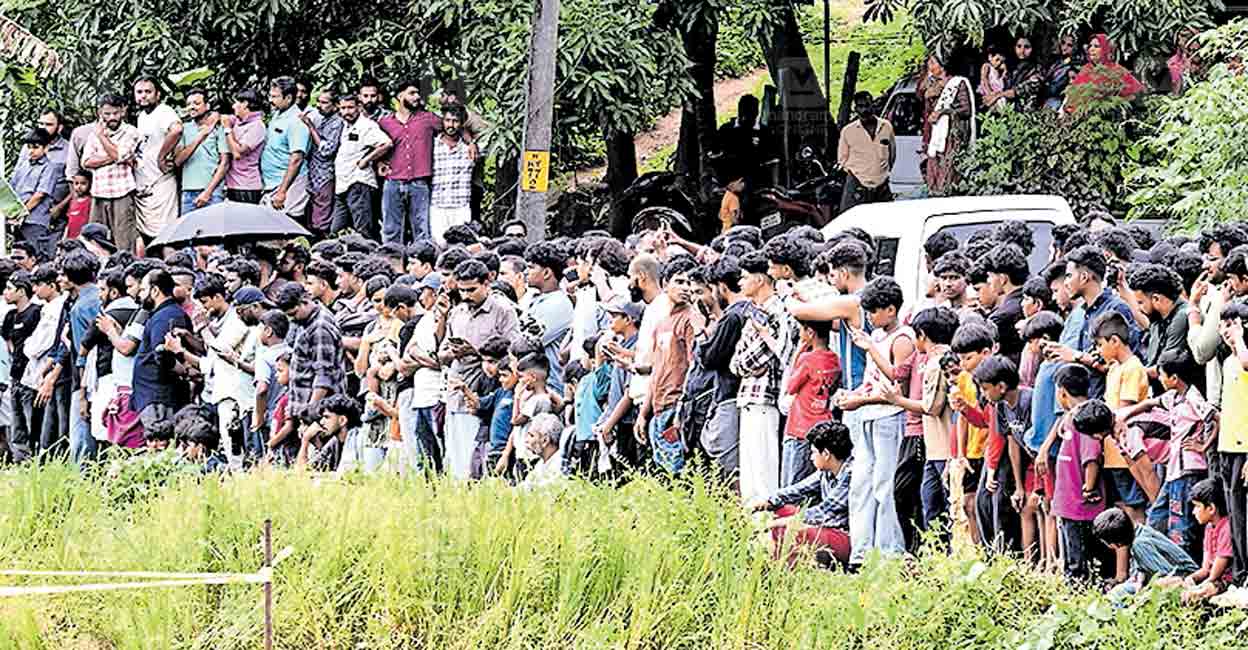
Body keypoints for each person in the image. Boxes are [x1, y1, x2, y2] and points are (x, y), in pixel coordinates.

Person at [836, 276, 914, 565]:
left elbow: (896, 383)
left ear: (890, 310)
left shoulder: (902, 339)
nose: (869, 317)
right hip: (868, 415)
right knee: (861, 485)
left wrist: (869, 348)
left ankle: (890, 552)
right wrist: (853, 395)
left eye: (873, 311)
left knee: (885, 485)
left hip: (888, 418)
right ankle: (862, 552)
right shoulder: (879, 336)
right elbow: (872, 382)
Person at [438, 259, 520, 479]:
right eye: (462, 290)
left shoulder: (503, 311)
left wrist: (475, 353)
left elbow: (513, 352)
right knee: (456, 457)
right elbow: (442, 352)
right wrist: (453, 353)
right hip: (456, 389)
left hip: (485, 393)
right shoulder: (457, 312)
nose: (466, 295)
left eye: (472, 290)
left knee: (477, 458)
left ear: (487, 283)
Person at [749, 420, 854, 570]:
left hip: (844, 535)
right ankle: (779, 563)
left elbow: (824, 512)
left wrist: (774, 523)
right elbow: (798, 489)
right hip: (827, 528)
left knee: (792, 527)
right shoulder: (826, 472)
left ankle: (786, 570)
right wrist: (768, 501)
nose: (811, 457)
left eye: (813, 452)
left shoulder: (850, 474)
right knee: (782, 509)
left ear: (826, 454)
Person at [731, 251, 792, 504]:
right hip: (749, 395)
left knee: (764, 469)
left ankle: (768, 531)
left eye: (744, 277)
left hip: (766, 397)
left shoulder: (776, 311)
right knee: (750, 470)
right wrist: (741, 365)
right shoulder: (754, 311)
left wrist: (741, 364)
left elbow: (759, 356)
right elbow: (735, 361)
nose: (740, 283)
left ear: (759, 280)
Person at [636, 259, 697, 474]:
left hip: (678, 406)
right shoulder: (661, 323)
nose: (685, 288)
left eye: (689, 283)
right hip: (659, 406)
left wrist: (683, 406)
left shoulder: (691, 319)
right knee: (663, 474)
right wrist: (644, 413)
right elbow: (655, 371)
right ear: (665, 284)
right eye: (679, 281)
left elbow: (693, 366)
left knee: (679, 473)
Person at [1092, 311, 1151, 524]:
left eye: (1100, 345)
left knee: (1136, 508)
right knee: (1125, 506)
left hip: (1128, 453)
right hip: (1114, 453)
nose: (1099, 350)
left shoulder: (1133, 368)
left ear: (1115, 341)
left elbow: (1124, 412)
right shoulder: (1114, 368)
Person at [131, 268, 193, 442]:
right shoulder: (161, 314)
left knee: (160, 444)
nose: (139, 295)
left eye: (143, 290)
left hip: (159, 396)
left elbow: (163, 354)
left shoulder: (165, 316)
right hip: (153, 394)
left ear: (155, 290)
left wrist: (186, 372)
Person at [274, 283, 346, 429]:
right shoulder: (307, 322)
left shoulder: (320, 327)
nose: (292, 319)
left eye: (294, 314)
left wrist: (311, 411)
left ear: (305, 302)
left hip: (321, 412)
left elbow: (324, 376)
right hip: (308, 409)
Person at [378, 79, 441, 245]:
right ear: (400, 96)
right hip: (392, 182)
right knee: (391, 229)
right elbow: (373, 147)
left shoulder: (428, 119)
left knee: (422, 230)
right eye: (412, 93)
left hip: (419, 183)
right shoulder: (385, 122)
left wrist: (470, 142)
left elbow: (453, 125)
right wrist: (379, 164)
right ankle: (392, 266)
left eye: (418, 93)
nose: (417, 97)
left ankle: (423, 267)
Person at [1155, 478, 1234, 604]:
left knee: (1197, 594)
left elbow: (1214, 575)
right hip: (1212, 578)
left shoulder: (1226, 528)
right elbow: (1205, 568)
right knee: (1170, 583)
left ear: (1211, 508)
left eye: (1197, 507)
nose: (1193, 512)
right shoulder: (1209, 528)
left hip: (1226, 581)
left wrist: (1197, 588)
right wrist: (1190, 580)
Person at [81, 93, 141, 255]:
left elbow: (118, 156)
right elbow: (86, 162)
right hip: (99, 193)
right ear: (100, 113)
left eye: (115, 113)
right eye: (107, 114)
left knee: (124, 242)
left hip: (122, 192)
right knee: (94, 241)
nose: (111, 117)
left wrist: (103, 138)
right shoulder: (93, 134)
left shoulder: (131, 132)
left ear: (123, 111)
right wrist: (117, 156)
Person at [1093, 506, 1198, 598]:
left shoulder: (1140, 545)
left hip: (1187, 578)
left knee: (1116, 595)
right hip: (1176, 576)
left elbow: (1168, 575)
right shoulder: (1138, 530)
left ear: (1114, 544)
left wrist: (1144, 592)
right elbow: (1142, 569)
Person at [782, 319, 839, 487]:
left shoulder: (807, 358)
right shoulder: (834, 358)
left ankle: (792, 513)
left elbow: (791, 387)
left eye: (802, 329)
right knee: (816, 481)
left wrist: (798, 353)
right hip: (822, 423)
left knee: (794, 482)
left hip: (800, 427)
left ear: (810, 332)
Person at [1216, 299, 1248, 584]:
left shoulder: (1245, 358)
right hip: (1227, 447)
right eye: (1224, 325)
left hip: (1244, 448)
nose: (1227, 331)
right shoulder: (1227, 362)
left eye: (1233, 324)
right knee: (1235, 514)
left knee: (1245, 516)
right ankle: (1240, 575)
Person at [131, 76, 181, 250]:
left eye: (148, 92)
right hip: (144, 186)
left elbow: (176, 129)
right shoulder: (142, 116)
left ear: (158, 94)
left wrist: (162, 156)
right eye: (139, 92)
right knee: (146, 240)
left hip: (161, 183)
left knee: (166, 236)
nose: (143, 96)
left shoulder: (165, 111)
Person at [332, 94, 393, 236]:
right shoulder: (345, 126)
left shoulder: (366, 125)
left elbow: (386, 143)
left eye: (350, 107)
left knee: (363, 230)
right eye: (343, 108)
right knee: (337, 230)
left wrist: (367, 160)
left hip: (358, 183)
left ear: (358, 107)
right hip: (342, 185)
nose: (347, 111)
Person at [523, 242, 575, 395]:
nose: (526, 272)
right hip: (534, 384)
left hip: (551, 386)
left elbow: (527, 342)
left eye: (531, 267)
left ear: (546, 273)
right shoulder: (534, 297)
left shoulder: (558, 303)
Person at [921, 55, 975, 195]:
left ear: (942, 65)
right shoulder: (931, 85)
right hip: (934, 136)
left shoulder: (956, 83)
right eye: (928, 63)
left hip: (951, 137)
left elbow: (966, 110)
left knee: (949, 174)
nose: (930, 66)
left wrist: (943, 112)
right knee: (934, 171)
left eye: (933, 63)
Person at [260, 76, 312, 218]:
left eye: (275, 96)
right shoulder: (277, 114)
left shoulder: (297, 122)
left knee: (288, 227)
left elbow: (296, 159)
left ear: (288, 98)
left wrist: (282, 191)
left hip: (289, 184)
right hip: (272, 183)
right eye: (270, 95)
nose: (271, 100)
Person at [3, 272, 41, 461]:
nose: (5, 293)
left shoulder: (36, 312)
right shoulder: (10, 316)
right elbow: (8, 340)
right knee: (16, 423)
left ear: (21, 291)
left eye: (9, 289)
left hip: (32, 377)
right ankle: (21, 461)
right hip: (15, 375)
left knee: (32, 421)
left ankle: (37, 460)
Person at [837, 92, 895, 213]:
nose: (865, 110)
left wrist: (883, 172)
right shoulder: (848, 131)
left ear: (873, 105)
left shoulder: (886, 126)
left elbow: (892, 154)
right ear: (856, 109)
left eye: (867, 105)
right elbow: (842, 160)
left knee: (885, 221)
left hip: (881, 185)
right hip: (857, 184)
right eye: (861, 106)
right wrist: (858, 174)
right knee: (851, 220)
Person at [174, 88, 229, 214]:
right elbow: (178, 161)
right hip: (188, 192)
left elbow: (225, 163)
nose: (192, 107)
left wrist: (208, 192)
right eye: (188, 104)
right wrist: (201, 137)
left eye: (196, 103)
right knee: (188, 232)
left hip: (213, 192)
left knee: (214, 232)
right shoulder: (184, 129)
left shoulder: (217, 127)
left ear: (207, 106)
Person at [429, 104, 475, 246]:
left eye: (455, 121)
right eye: (448, 120)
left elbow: (484, 127)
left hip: (460, 205)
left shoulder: (470, 149)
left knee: (461, 247)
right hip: (438, 205)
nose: (451, 125)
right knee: (439, 244)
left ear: (461, 123)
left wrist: (471, 141)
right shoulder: (432, 146)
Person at [10, 129, 59, 260]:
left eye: (36, 147)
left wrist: (22, 212)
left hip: (35, 220)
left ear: (46, 148)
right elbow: (12, 188)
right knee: (18, 256)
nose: (31, 151)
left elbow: (40, 194)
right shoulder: (22, 165)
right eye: (29, 147)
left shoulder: (50, 167)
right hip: (17, 221)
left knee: (38, 256)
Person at [302, 90, 345, 235]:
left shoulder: (338, 123)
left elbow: (327, 150)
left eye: (324, 102)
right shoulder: (320, 118)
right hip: (313, 172)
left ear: (335, 105)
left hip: (326, 173)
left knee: (322, 215)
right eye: (319, 102)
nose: (320, 106)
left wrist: (310, 127)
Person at [1067, 33, 1145, 113]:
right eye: (1090, 46)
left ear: (1105, 49)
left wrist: (1116, 103)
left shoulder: (1116, 70)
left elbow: (1135, 92)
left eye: (1096, 46)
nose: (1091, 49)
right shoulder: (1085, 70)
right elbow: (1073, 96)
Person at [222, 89, 267, 204]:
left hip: (246, 187)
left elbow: (237, 153)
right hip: (233, 185)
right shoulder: (239, 121)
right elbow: (222, 118)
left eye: (236, 103)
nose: (233, 106)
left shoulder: (257, 126)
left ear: (245, 104)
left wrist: (227, 129)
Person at [297, 394, 360, 472]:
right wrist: (306, 440)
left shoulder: (357, 439)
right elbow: (303, 471)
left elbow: (347, 474)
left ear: (342, 420)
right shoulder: (335, 442)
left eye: (327, 417)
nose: (321, 422)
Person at [521, 413, 565, 491]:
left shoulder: (560, 463)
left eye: (531, 436)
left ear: (545, 440)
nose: (526, 440)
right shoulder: (541, 463)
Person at [1003, 36, 1044, 111]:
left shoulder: (1037, 69)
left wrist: (997, 95)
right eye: (1019, 46)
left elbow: (1017, 91)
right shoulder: (1011, 66)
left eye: (1027, 47)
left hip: (1026, 111)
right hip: (1009, 108)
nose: (1022, 51)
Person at [1045, 34, 1080, 111]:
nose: (1065, 47)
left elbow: (1057, 88)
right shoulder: (1056, 60)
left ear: (1075, 47)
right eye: (1063, 43)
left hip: (1059, 102)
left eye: (1069, 45)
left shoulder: (1075, 65)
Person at [61, 171, 93, 241]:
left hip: (84, 239)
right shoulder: (73, 202)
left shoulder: (90, 201)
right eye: (76, 183)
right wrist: (64, 238)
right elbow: (69, 223)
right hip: (71, 239)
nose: (79, 186)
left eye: (83, 183)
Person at [979, 45, 1008, 111]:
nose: (999, 63)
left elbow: (1003, 83)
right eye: (997, 60)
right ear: (990, 57)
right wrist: (990, 92)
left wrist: (1005, 71)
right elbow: (984, 80)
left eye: (1001, 61)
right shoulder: (987, 66)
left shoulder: (999, 72)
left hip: (997, 95)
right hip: (988, 93)